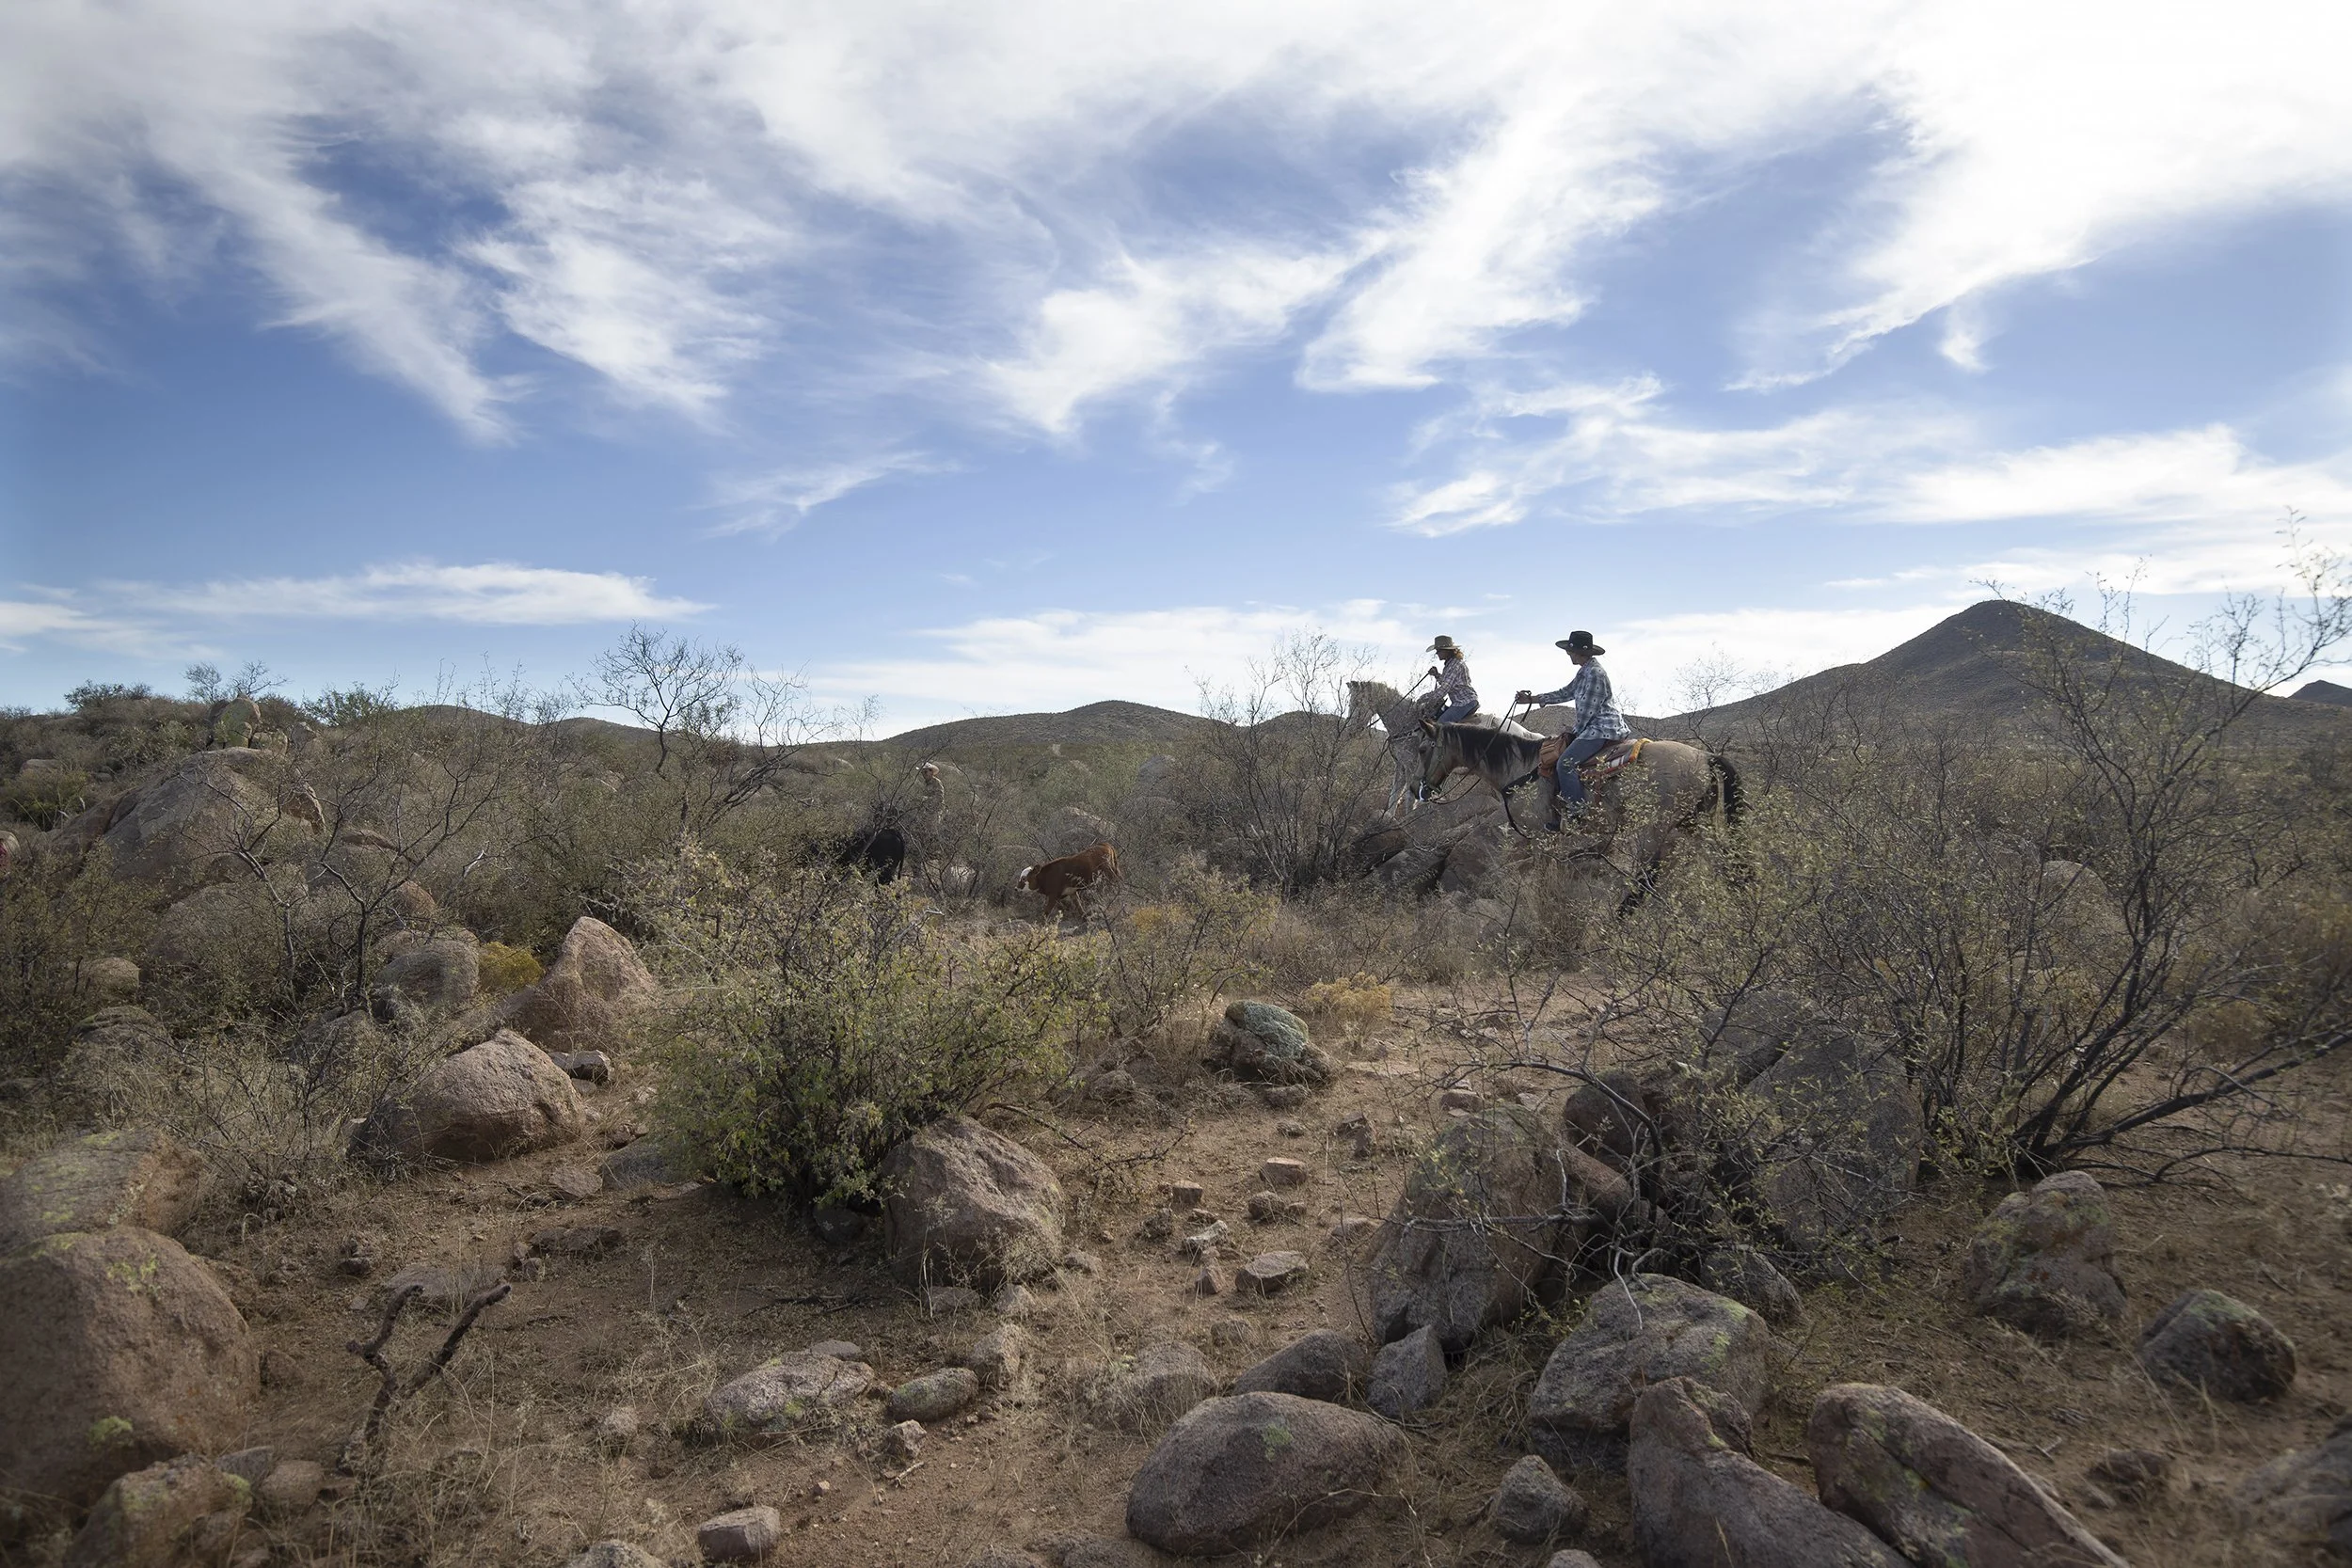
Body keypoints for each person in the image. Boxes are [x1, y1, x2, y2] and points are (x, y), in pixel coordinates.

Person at [1516, 629, 1631, 830]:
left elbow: (1588, 710)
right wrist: (1532, 700)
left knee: (1565, 764)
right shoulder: (1585, 671)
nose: (1568, 654)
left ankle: (1578, 815)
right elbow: (1566, 692)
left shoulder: (1594, 673)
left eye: (1570, 651)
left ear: (1578, 652)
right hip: (1594, 726)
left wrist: (1575, 731)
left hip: (1602, 728)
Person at [1427, 635, 1478, 723]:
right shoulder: (1450, 665)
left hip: (1464, 702)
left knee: (1440, 724)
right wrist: (1436, 675)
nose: (1437, 653)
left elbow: (1444, 689)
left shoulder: (1454, 665)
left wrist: (1426, 699)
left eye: (1439, 650)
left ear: (1447, 651)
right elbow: (1447, 682)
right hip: (1462, 701)